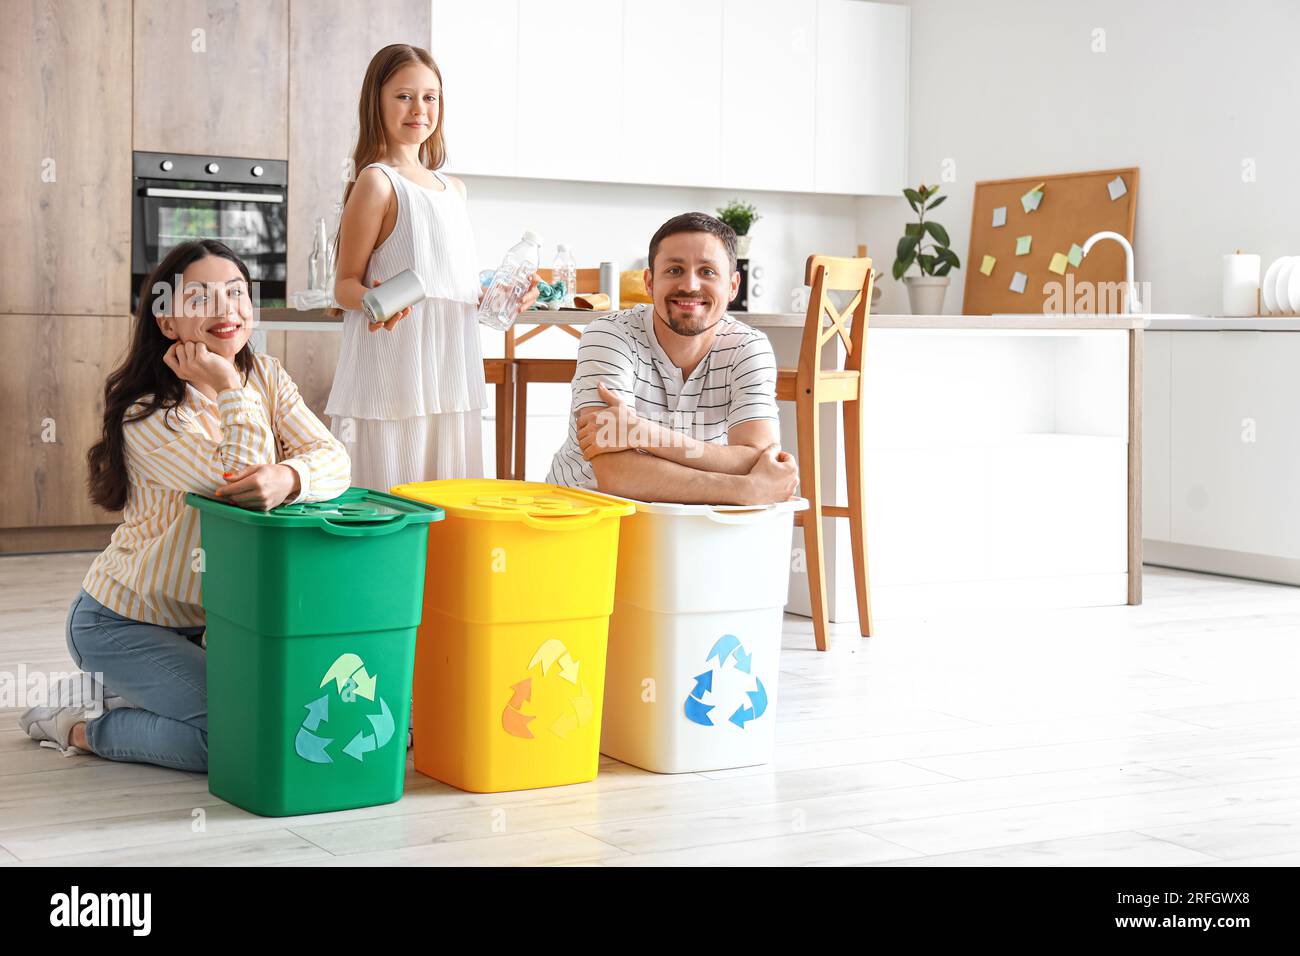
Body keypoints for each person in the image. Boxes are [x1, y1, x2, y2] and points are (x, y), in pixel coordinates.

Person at [18, 239, 351, 770]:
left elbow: (334, 459)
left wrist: (290, 474)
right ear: (167, 322)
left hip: (216, 624)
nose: (226, 310)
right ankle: (78, 725)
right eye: (200, 298)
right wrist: (224, 384)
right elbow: (237, 491)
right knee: (238, 741)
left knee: (290, 720)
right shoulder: (146, 413)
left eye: (237, 293)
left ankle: (138, 691)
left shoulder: (266, 374)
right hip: (123, 623)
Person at [327, 43, 538, 490]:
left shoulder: (454, 189)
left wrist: (502, 295)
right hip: (394, 368)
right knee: (387, 496)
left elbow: (455, 286)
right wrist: (371, 300)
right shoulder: (377, 181)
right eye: (404, 96)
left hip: (450, 370)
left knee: (450, 502)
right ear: (376, 102)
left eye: (430, 97)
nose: (419, 109)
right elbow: (343, 285)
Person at [547, 212, 797, 504]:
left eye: (707, 271)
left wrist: (643, 433)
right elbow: (615, 475)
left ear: (732, 286)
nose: (690, 285)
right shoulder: (609, 335)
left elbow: (759, 457)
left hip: (693, 520)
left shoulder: (748, 347)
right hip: (589, 516)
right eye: (675, 270)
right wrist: (744, 489)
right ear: (649, 282)